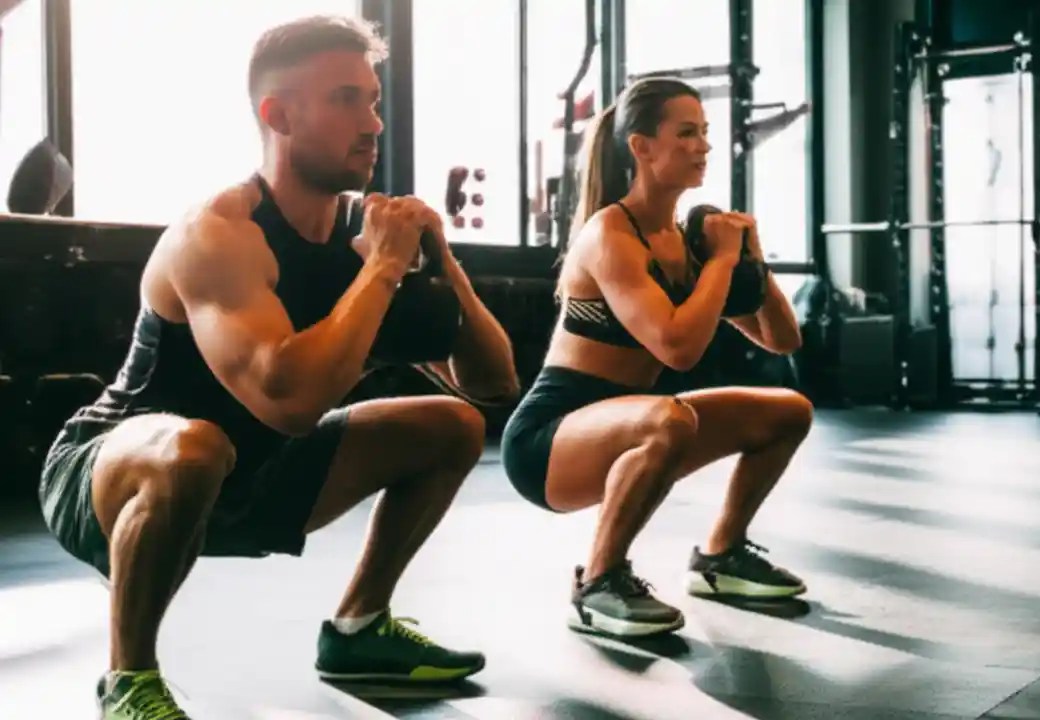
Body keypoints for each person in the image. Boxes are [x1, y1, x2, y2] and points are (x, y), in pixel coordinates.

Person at [37, 15, 519, 719]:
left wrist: (443, 263)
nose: (373, 123)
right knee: (196, 445)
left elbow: (494, 384)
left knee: (451, 425)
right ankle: (129, 681)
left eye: (375, 100)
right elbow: (288, 401)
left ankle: (360, 629)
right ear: (278, 114)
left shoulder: (362, 234)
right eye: (346, 99)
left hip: (254, 473)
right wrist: (384, 268)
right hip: (116, 476)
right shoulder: (220, 232)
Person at [500, 77, 814, 639]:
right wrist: (720, 263)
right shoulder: (611, 234)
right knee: (669, 417)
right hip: (548, 441)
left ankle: (721, 557)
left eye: (705, 133)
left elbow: (783, 340)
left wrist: (751, 262)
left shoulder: (685, 240)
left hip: (635, 422)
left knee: (788, 410)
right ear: (641, 147)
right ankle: (598, 582)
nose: (704, 147)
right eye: (687, 133)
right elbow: (678, 349)